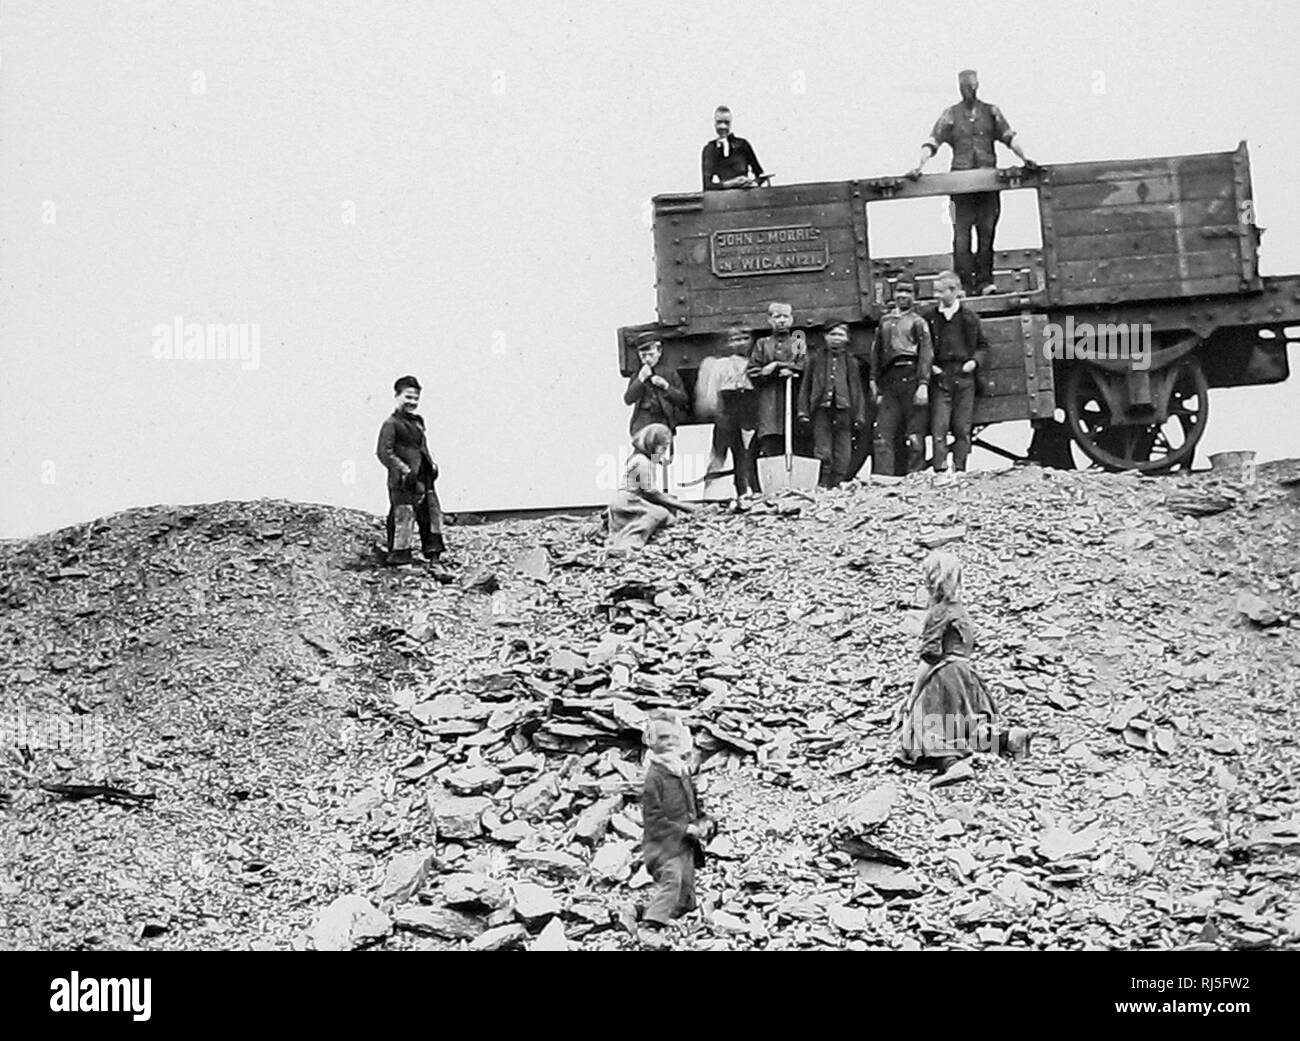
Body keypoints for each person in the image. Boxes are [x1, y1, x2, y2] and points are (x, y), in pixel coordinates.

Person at [908, 70, 1033, 296]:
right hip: (958, 191)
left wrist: (1026, 158)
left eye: (972, 86)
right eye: (965, 86)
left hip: (988, 187)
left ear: (978, 85)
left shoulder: (991, 112)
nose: (969, 90)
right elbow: (932, 141)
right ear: (959, 87)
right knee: (960, 236)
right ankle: (963, 286)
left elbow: (1009, 136)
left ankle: (985, 283)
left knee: (987, 235)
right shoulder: (951, 115)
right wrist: (919, 165)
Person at [892, 551, 999, 772]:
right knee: (963, 721)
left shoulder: (938, 613)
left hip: (945, 672)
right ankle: (1007, 740)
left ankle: (950, 764)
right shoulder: (961, 611)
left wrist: (913, 695)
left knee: (924, 721)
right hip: (967, 674)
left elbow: (930, 656)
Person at [639, 712, 714, 948]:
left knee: (686, 890)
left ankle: (654, 912)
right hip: (663, 843)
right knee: (671, 878)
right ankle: (649, 927)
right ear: (651, 741)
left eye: (673, 736)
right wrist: (685, 828)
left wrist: (704, 820)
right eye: (662, 737)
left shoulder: (681, 768)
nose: (669, 741)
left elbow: (692, 800)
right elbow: (653, 818)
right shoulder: (655, 775)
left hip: (684, 843)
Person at [927, 270, 991, 482]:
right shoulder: (930, 319)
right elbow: (923, 348)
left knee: (962, 427)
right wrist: (932, 367)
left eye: (940, 291)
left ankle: (961, 469)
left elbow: (983, 346)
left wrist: (974, 362)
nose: (936, 296)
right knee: (939, 426)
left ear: (953, 291)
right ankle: (940, 470)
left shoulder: (969, 317)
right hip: (941, 376)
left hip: (964, 376)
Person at [375, 375, 446, 565]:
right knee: (403, 516)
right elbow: (384, 452)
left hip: (424, 477)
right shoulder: (391, 424)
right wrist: (404, 470)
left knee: (431, 513)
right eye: (408, 397)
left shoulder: (417, 422)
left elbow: (422, 447)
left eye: (415, 399)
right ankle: (400, 558)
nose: (412, 402)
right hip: (403, 481)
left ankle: (434, 555)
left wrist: (431, 465)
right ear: (397, 396)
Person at [869, 281, 932, 479]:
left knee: (914, 435)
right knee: (882, 434)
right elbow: (876, 352)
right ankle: (883, 477)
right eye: (899, 291)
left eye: (908, 292)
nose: (902, 295)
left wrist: (923, 384)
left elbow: (926, 354)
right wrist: (873, 380)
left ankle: (915, 476)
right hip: (889, 381)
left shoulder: (918, 322)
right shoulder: (885, 321)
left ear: (915, 296)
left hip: (912, 377)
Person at [797, 321, 867, 488]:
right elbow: (806, 386)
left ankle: (838, 484)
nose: (836, 339)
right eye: (832, 334)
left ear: (847, 338)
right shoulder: (815, 359)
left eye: (840, 335)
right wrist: (803, 412)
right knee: (823, 451)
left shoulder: (851, 362)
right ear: (825, 337)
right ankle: (823, 484)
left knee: (843, 452)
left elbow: (856, 390)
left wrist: (859, 416)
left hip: (844, 411)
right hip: (822, 410)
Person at [607, 424, 697, 553]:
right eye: (662, 448)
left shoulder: (647, 460)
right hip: (628, 502)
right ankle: (630, 542)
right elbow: (650, 492)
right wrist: (683, 506)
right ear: (651, 444)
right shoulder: (641, 461)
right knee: (659, 514)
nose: (663, 452)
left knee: (668, 514)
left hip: (634, 499)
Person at [697, 326, 759, 498]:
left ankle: (747, 491)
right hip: (727, 411)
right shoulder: (720, 364)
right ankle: (710, 493)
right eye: (735, 340)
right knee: (720, 452)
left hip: (748, 410)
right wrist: (718, 412)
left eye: (745, 339)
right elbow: (712, 392)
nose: (740, 343)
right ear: (728, 344)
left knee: (746, 453)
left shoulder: (755, 362)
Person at [747, 302, 808, 463]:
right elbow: (753, 371)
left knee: (797, 438)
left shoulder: (798, 339)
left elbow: (803, 365)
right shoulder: (762, 343)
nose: (781, 320)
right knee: (770, 440)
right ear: (769, 320)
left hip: (794, 397)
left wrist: (777, 365)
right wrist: (772, 372)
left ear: (792, 319)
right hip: (770, 400)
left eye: (785, 316)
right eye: (777, 317)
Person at [624, 337, 689, 436]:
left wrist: (666, 386)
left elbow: (683, 399)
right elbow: (628, 399)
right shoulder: (638, 375)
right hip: (643, 419)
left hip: (663, 417)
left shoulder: (669, 373)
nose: (647, 359)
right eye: (643, 356)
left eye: (651, 355)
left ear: (659, 352)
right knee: (642, 446)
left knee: (658, 447)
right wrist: (640, 379)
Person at [701, 105, 765, 191]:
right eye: (719, 122)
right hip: (724, 198)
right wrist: (732, 183)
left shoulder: (742, 145)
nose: (723, 127)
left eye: (726, 123)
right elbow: (707, 185)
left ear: (730, 124)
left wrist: (753, 183)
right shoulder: (710, 149)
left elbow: (760, 175)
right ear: (714, 124)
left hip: (746, 196)